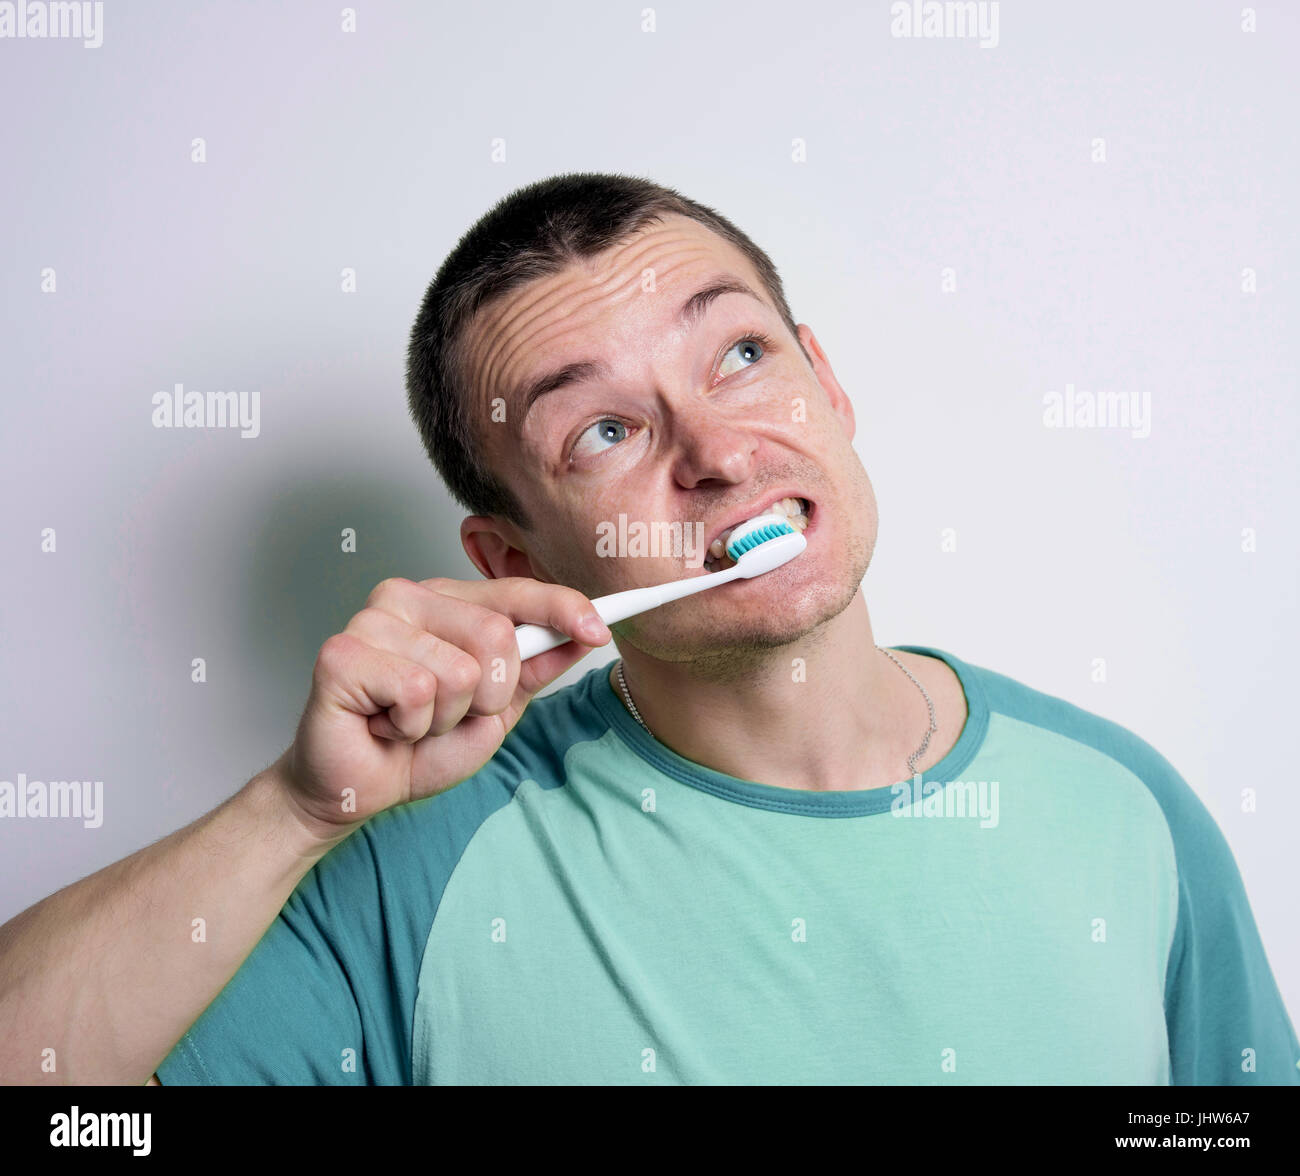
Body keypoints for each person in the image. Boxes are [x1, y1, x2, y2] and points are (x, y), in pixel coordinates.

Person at [2, 172, 1296, 1085]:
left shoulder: (1125, 805)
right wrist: (290, 812)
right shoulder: (410, 874)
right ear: (517, 559)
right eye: (605, 432)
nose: (720, 453)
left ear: (826, 383)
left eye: (738, 356)